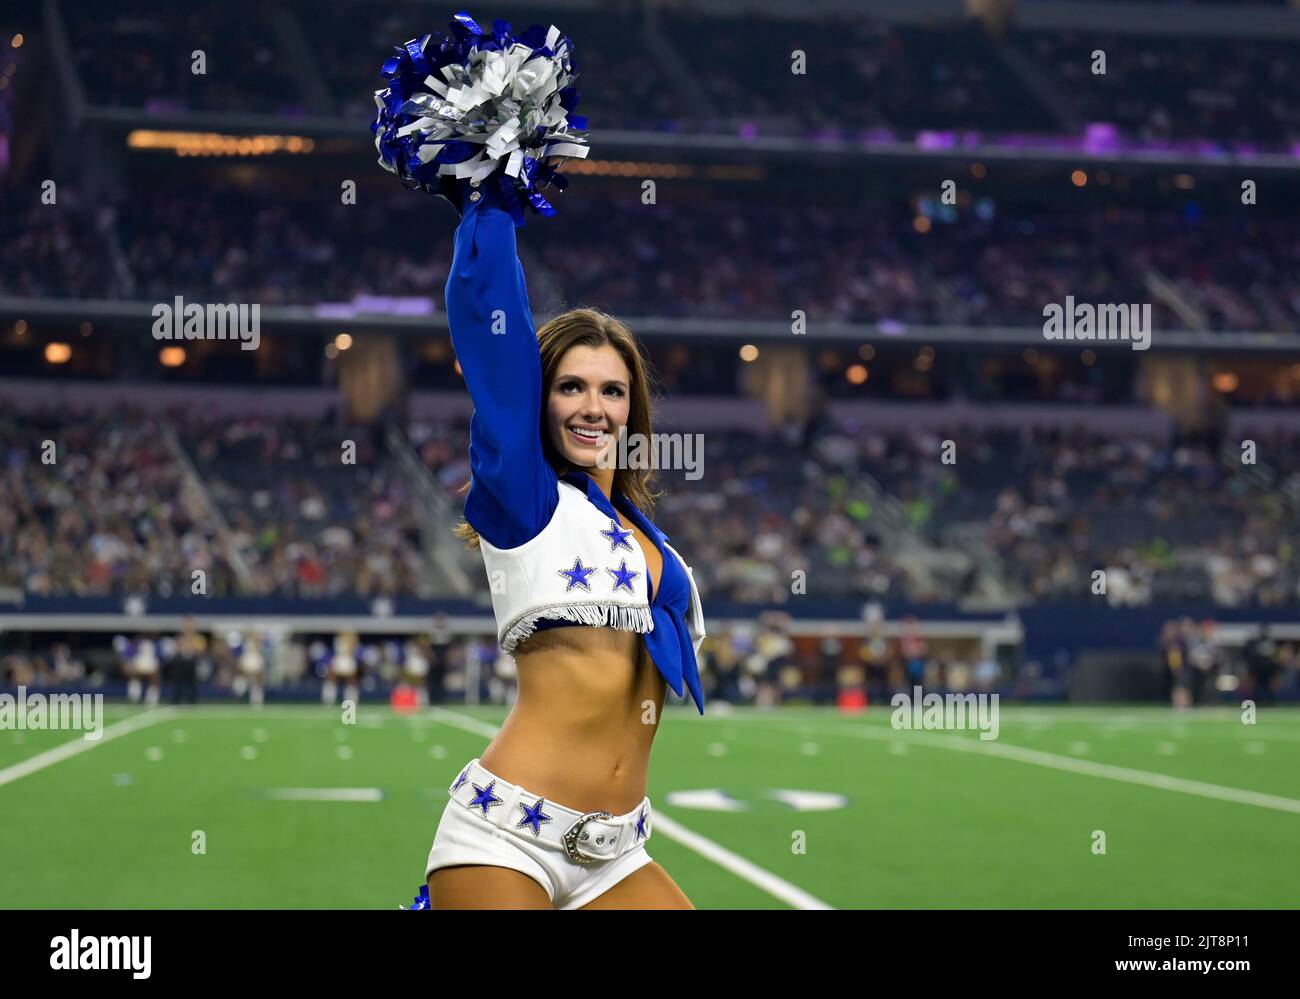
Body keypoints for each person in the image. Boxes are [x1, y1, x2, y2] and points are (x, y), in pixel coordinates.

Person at [422, 172, 706, 910]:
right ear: (541, 400)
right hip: (507, 837)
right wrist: (488, 204)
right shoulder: (527, 500)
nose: (593, 406)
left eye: (612, 390)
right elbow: (497, 351)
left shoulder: (647, 540)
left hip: (618, 850)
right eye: (570, 386)